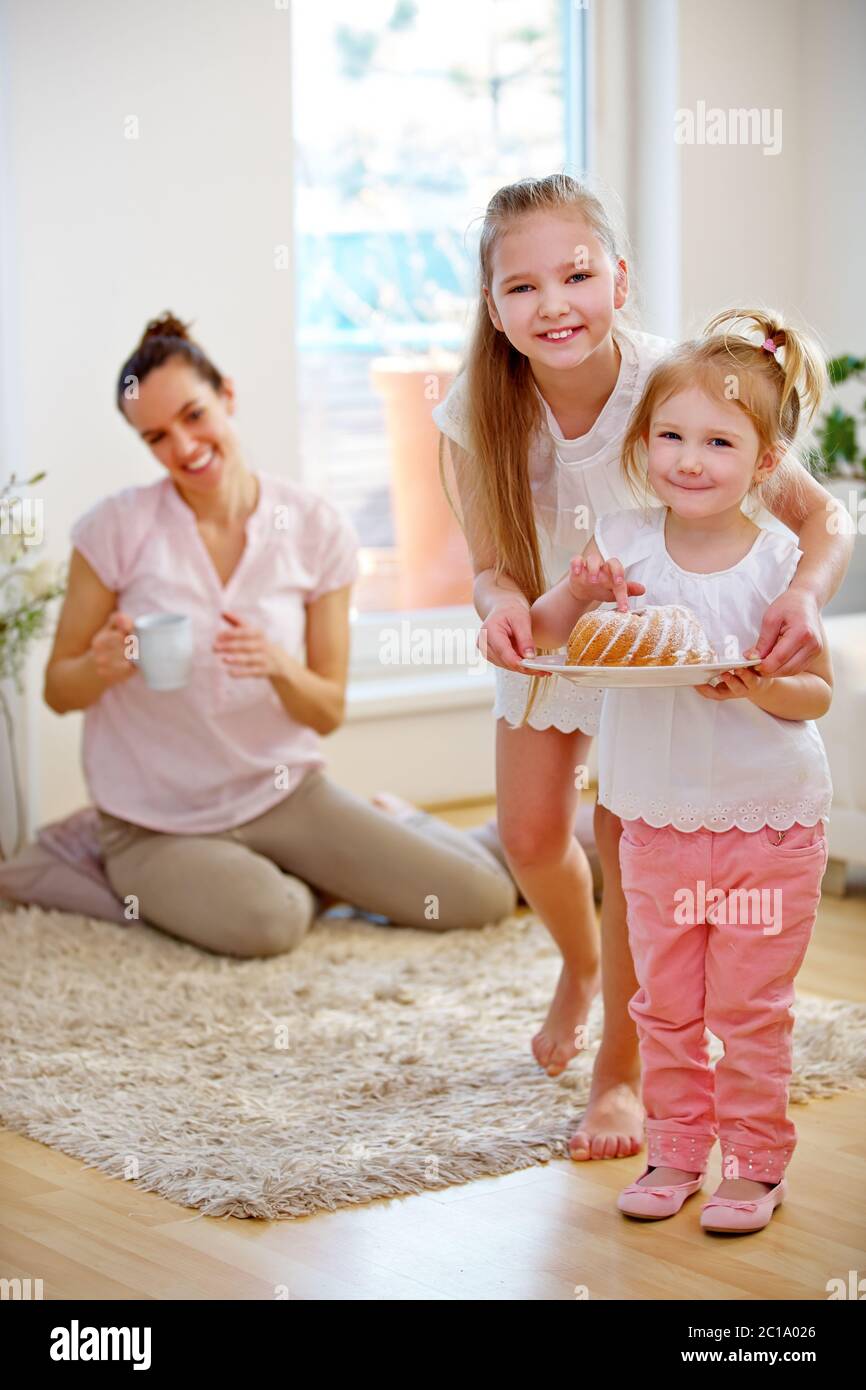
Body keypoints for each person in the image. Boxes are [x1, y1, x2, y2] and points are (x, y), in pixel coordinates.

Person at [432, 173, 852, 1160]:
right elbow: (491, 567)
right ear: (492, 308)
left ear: (616, 278)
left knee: (629, 863)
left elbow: (820, 515)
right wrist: (497, 608)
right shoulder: (474, 409)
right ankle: (580, 968)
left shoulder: (675, 379)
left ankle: (617, 1078)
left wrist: (800, 594)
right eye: (520, 287)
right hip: (554, 625)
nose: (552, 305)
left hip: (657, 655)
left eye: (574, 274)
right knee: (531, 835)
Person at [43, 313, 518, 956]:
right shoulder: (114, 530)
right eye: (156, 436)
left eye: (194, 415)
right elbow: (58, 691)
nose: (183, 446)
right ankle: (270, 878)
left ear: (227, 396)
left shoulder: (314, 526)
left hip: (282, 793)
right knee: (269, 924)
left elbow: (325, 710)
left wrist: (278, 667)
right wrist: (104, 663)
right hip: (157, 823)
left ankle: (394, 824)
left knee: (480, 900)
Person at [531, 307, 833, 1231]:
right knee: (662, 1003)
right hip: (656, 822)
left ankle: (754, 1167)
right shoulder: (621, 544)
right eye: (671, 436)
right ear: (644, 440)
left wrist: (757, 688)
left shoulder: (783, 562)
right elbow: (548, 634)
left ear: (766, 461)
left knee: (748, 1009)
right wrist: (578, 591)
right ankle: (675, 1153)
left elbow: (815, 695)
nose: (689, 460)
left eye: (717, 440)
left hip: (767, 824)